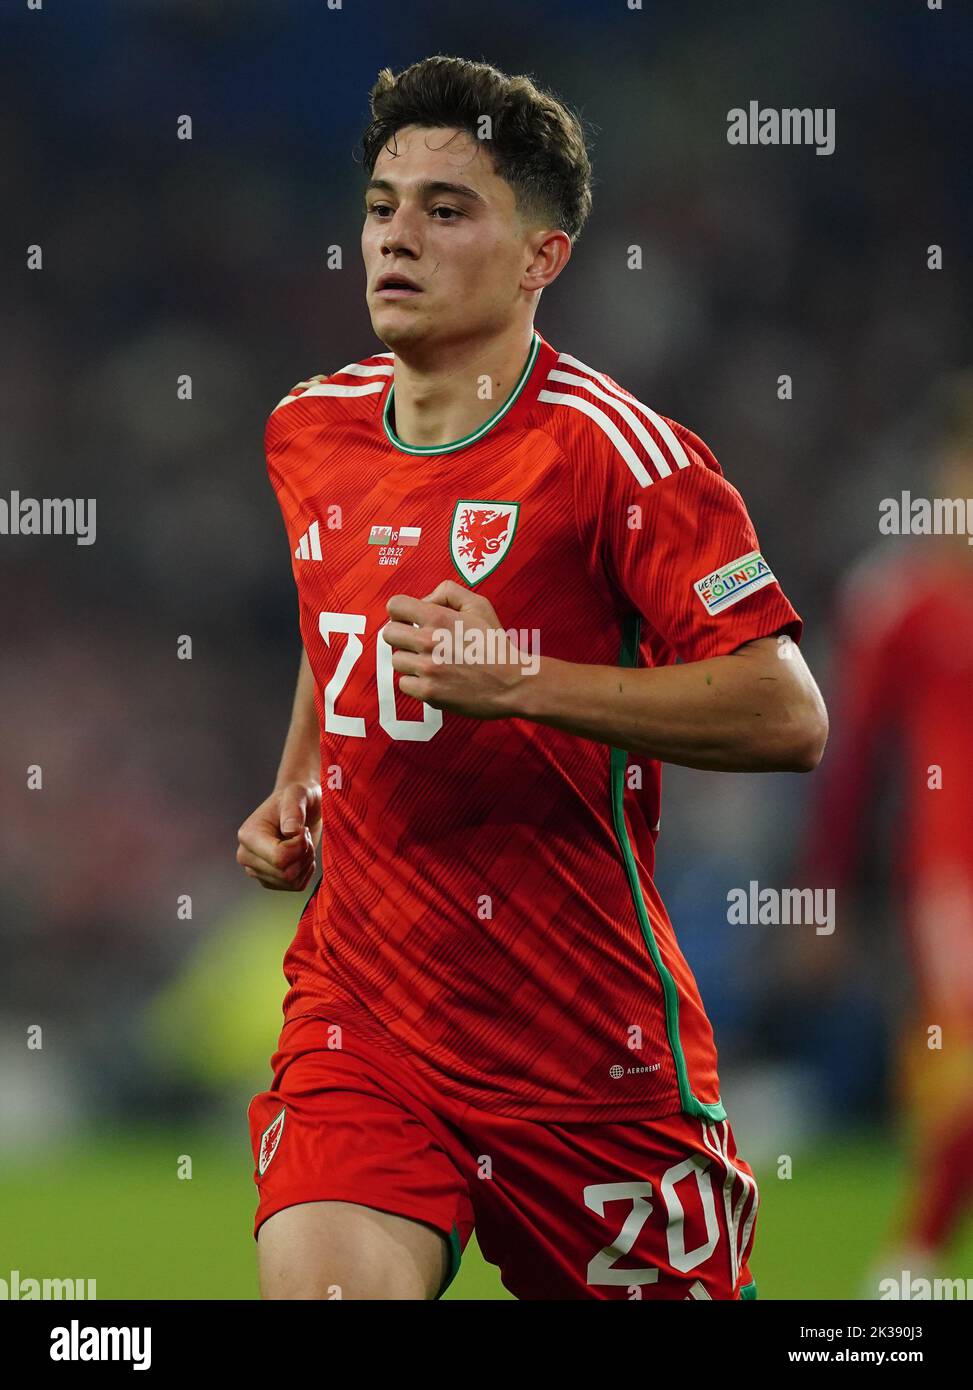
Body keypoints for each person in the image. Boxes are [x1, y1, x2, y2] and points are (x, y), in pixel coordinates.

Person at [238, 54, 828, 1300]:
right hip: (369, 1015)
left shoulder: (623, 458)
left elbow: (786, 711)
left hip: (587, 1047)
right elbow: (332, 600)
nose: (395, 237)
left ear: (539, 258)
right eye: (382, 204)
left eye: (446, 210)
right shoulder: (310, 427)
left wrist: (516, 682)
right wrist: (298, 777)